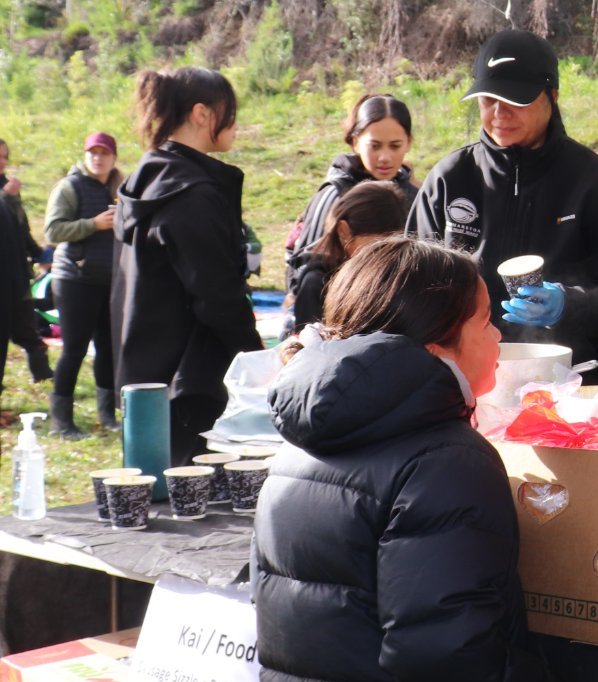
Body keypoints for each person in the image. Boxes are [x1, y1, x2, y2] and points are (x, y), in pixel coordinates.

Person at [254, 235, 574, 682]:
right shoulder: (445, 457)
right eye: (486, 319)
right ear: (438, 343)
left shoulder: (302, 444)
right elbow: (449, 652)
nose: (499, 332)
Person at [409, 30, 598, 381]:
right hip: (464, 385)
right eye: (488, 100)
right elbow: (406, 289)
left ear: (553, 96)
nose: (500, 113)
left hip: (574, 386)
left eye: (516, 100)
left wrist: (570, 304)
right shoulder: (450, 180)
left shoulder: (597, 184)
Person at [115, 70, 264, 468]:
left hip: (145, 373)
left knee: (156, 496)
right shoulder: (192, 194)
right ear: (202, 114)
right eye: (229, 114)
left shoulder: (149, 178)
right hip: (191, 381)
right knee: (195, 509)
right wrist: (255, 357)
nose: (236, 125)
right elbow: (215, 295)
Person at [283, 94, 417, 292]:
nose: (385, 157)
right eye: (375, 146)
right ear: (355, 142)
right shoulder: (334, 194)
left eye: (395, 146)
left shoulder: (415, 195)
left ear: (408, 143)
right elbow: (305, 267)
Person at [41, 133, 123, 437]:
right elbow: (52, 231)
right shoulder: (69, 187)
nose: (98, 158)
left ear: (114, 158)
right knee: (74, 350)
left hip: (109, 280)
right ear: (85, 156)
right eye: (93, 153)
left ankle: (108, 416)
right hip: (74, 280)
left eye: (104, 153)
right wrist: (93, 224)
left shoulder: (119, 189)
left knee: (107, 349)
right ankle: (61, 423)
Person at [285, 181, 411, 334]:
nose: (383, 255)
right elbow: (307, 347)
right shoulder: (317, 283)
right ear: (343, 231)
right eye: (375, 246)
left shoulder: (397, 276)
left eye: (392, 246)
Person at [0, 138, 54, 389]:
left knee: (27, 327)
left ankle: (43, 376)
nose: (1, 162)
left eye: (4, 157)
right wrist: (5, 197)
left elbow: (20, 229)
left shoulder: (9, 187)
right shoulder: (7, 191)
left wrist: (40, 253)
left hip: (17, 274)